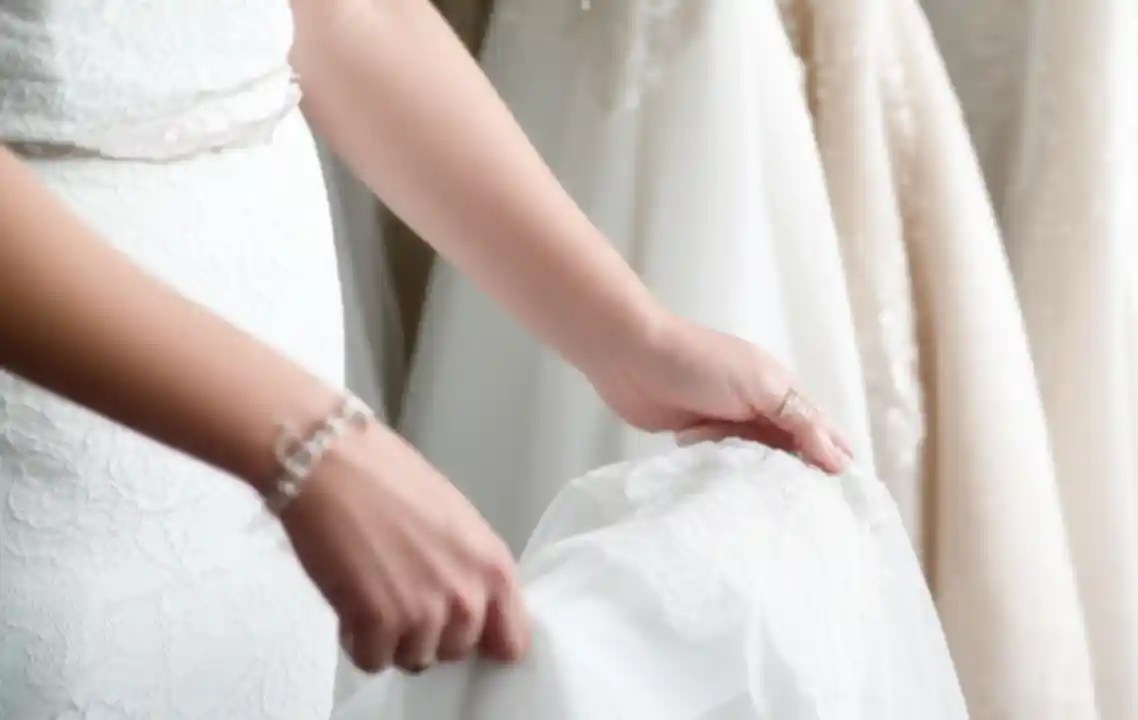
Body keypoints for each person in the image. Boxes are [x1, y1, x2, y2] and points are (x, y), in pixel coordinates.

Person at [0, 1, 848, 717]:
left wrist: (633, 339)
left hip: (272, 414)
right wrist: (306, 442)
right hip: (53, 457)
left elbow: (346, 11)